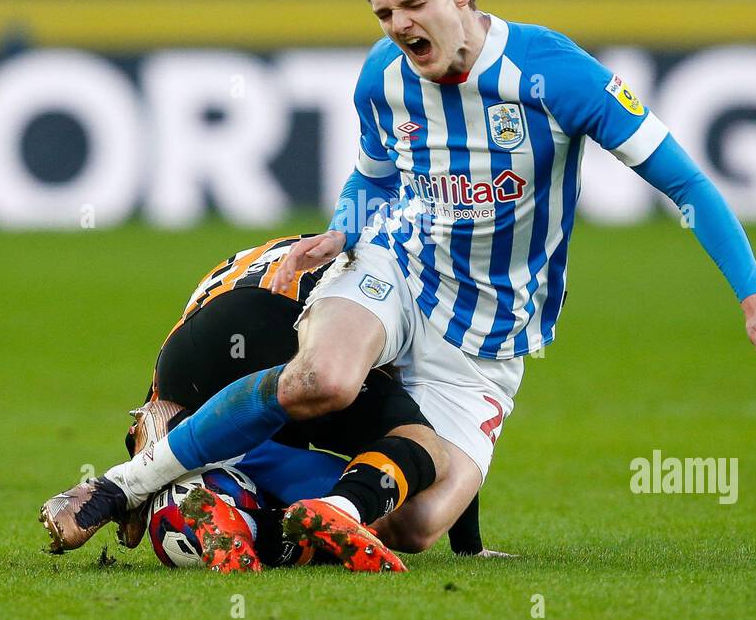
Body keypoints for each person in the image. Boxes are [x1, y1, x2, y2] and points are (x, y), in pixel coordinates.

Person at [82, 0, 756, 569]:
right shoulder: (383, 77)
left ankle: (262, 496)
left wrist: (753, 296)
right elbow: (371, 177)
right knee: (325, 380)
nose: (400, 25)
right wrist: (346, 229)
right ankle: (129, 482)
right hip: (396, 272)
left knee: (422, 523)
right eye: (382, 12)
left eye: (413, 2)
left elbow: (685, 182)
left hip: (492, 334)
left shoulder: (556, 75)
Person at [40, 235, 496, 572]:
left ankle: (182, 488)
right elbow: (442, 406)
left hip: (191, 350)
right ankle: (287, 523)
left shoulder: (329, 243)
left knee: (243, 452)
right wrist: (467, 543)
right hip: (293, 327)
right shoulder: (416, 280)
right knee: (412, 458)